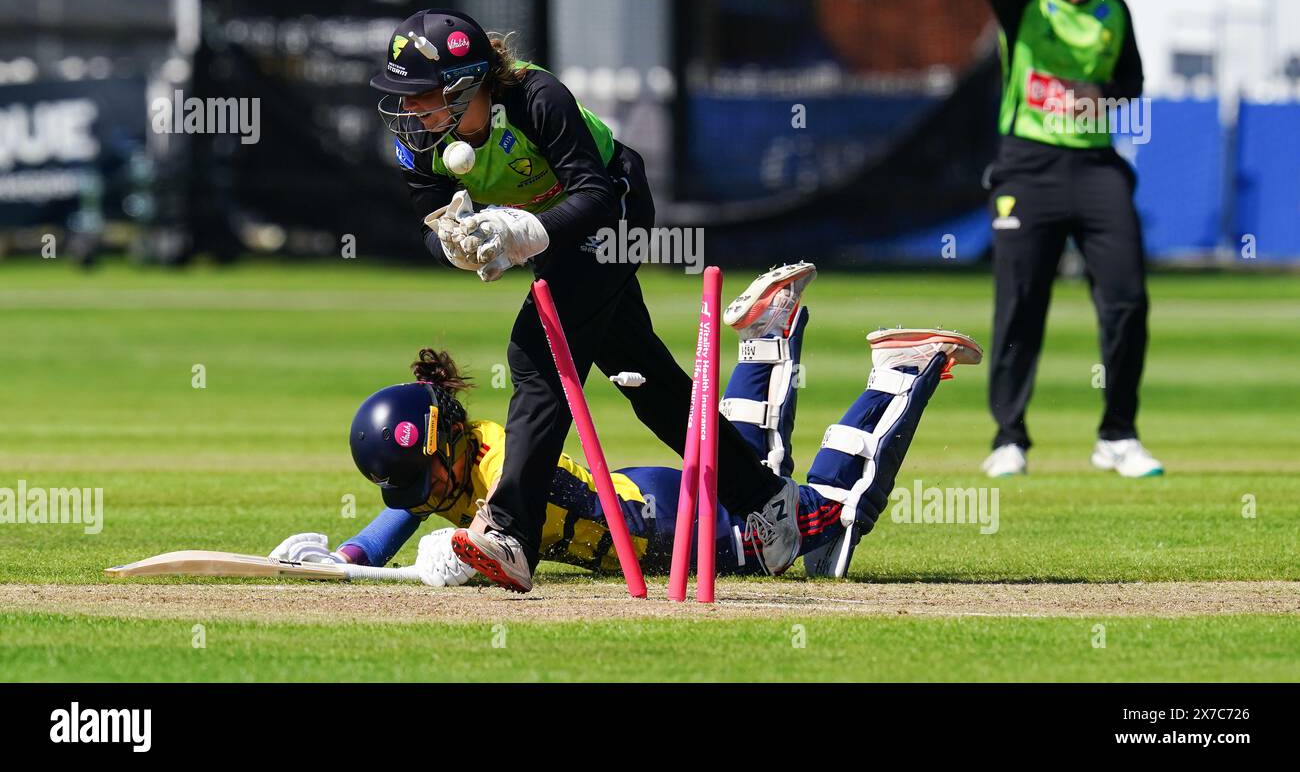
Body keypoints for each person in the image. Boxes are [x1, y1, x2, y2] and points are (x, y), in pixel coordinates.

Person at [368, 10, 803, 591]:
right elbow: (431, 217)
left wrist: (522, 232)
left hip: (615, 212)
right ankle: (770, 502)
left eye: (421, 96)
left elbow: (594, 195)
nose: (411, 112)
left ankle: (511, 534)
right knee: (641, 375)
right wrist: (455, 244)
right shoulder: (420, 144)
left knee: (534, 353)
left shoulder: (537, 97)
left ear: (467, 84)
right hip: (558, 229)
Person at [268, 268, 983, 584]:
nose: (422, 491)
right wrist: (353, 557)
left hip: (677, 530)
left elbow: (511, 517)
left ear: (448, 441)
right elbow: (407, 513)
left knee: (829, 514)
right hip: (651, 498)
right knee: (753, 472)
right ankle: (768, 333)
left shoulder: (492, 462)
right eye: (411, 483)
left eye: (421, 475)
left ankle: (904, 369)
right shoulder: (444, 463)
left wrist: (462, 550)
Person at [979, 0, 1163, 479]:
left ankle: (1118, 434)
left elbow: (1131, 87)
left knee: (1127, 299)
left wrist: (1098, 96)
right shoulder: (1024, 3)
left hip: (1094, 167)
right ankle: (1010, 437)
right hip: (1027, 165)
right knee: (1020, 304)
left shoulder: (1113, 10)